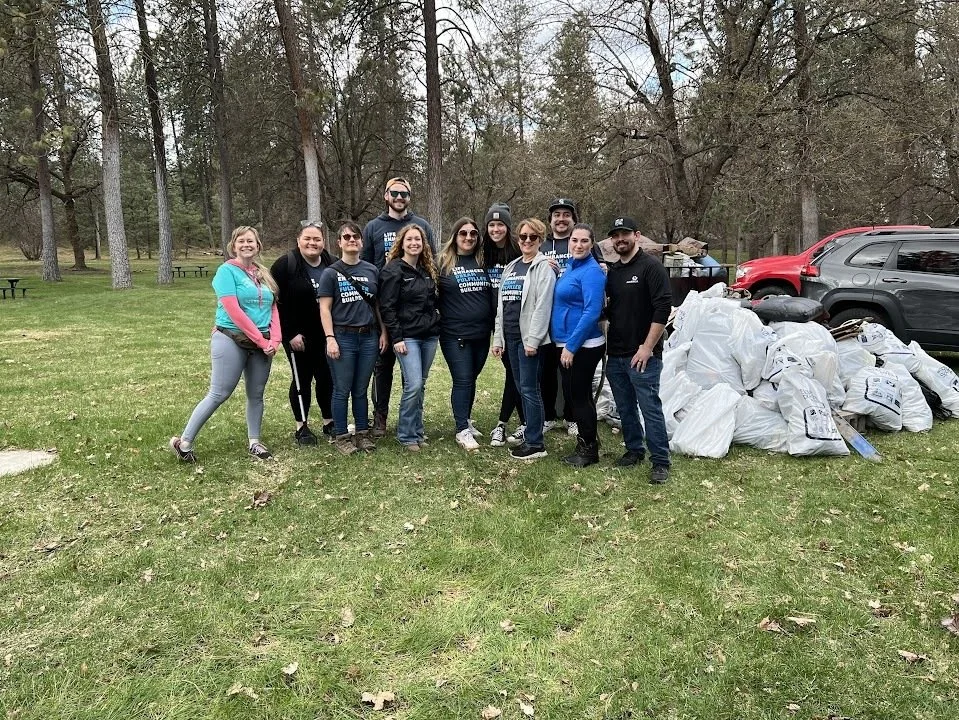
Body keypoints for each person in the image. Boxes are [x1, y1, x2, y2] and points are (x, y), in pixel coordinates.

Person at [170, 226, 281, 463]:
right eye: (241, 241)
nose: (246, 245)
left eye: (251, 241)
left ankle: (255, 442)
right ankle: (184, 443)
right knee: (219, 393)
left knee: (256, 394)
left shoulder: (263, 273)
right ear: (233, 246)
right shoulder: (226, 272)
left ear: (258, 245)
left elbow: (273, 307)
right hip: (231, 338)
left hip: (262, 343)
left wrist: (275, 339)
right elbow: (234, 311)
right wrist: (262, 341)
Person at [362, 177, 437, 439]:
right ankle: (380, 417)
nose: (399, 197)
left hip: (418, 316)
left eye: (404, 193)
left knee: (415, 379)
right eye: (394, 192)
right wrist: (381, 321)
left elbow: (431, 264)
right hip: (386, 308)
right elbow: (368, 267)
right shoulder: (374, 227)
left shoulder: (423, 225)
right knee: (383, 368)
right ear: (385, 195)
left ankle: (414, 424)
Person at [604, 216, 672, 484]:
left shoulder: (651, 268)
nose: (620, 239)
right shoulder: (613, 273)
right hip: (616, 354)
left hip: (643, 355)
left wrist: (647, 347)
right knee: (625, 407)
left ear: (637, 235)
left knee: (649, 407)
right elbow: (609, 309)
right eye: (615, 235)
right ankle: (634, 450)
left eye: (625, 234)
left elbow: (663, 308)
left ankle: (660, 461)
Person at [319, 221, 389, 455]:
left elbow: (377, 304)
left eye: (355, 237)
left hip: (368, 336)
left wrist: (383, 332)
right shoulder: (330, 273)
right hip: (343, 336)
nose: (351, 240)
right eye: (346, 237)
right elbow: (325, 308)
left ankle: (361, 433)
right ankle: (341, 435)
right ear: (339, 243)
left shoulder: (371, 270)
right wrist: (330, 337)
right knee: (342, 389)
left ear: (361, 241)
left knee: (360, 389)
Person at [492, 218, 556, 460]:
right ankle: (532, 433)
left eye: (533, 237)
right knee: (521, 387)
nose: (527, 241)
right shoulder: (511, 267)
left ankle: (535, 443)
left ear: (540, 240)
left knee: (530, 389)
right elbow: (501, 306)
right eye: (523, 237)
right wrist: (498, 339)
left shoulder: (543, 268)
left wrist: (534, 340)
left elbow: (543, 306)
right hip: (510, 337)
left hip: (528, 339)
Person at [270, 220, 334, 446]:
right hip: (297, 336)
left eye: (317, 239)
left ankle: (329, 422)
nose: (312, 243)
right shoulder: (285, 265)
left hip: (325, 334)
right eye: (307, 238)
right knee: (302, 379)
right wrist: (290, 334)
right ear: (298, 241)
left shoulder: (332, 263)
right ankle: (302, 426)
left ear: (323, 242)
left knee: (326, 378)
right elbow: (276, 303)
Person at [379, 224, 441, 451]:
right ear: (401, 243)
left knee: (420, 385)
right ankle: (405, 434)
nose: (414, 243)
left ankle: (417, 430)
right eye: (410, 240)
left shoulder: (427, 270)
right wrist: (397, 337)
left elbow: (433, 301)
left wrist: (436, 320)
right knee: (413, 384)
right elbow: (387, 307)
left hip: (429, 336)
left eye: (418, 240)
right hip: (407, 337)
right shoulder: (393, 270)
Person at [551, 223, 606, 467]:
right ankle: (587, 440)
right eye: (574, 240)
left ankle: (588, 450)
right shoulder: (572, 267)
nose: (578, 245)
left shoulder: (592, 271)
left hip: (583, 345)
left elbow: (592, 311)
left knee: (579, 397)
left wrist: (571, 346)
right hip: (567, 342)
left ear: (592, 244)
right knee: (577, 396)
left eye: (584, 241)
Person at [437, 217, 495, 452]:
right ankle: (461, 429)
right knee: (462, 379)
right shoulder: (442, 264)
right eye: (463, 233)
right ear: (455, 236)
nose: (468, 237)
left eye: (473, 234)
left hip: (481, 334)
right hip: (454, 335)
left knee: (471, 378)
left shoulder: (483, 262)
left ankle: (466, 420)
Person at [482, 203, 526, 448]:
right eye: (491, 224)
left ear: (508, 227)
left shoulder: (517, 251)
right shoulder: (483, 252)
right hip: (493, 321)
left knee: (515, 372)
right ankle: (524, 421)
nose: (496, 229)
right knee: (513, 372)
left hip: (515, 322)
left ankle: (504, 423)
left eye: (500, 224)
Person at [541, 197, 579, 437]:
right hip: (546, 318)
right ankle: (548, 416)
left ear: (573, 220)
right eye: (557, 215)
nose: (561, 219)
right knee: (546, 371)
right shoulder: (541, 246)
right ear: (551, 220)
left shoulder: (582, 243)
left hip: (573, 319)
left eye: (566, 214)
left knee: (571, 371)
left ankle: (572, 416)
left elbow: (599, 270)